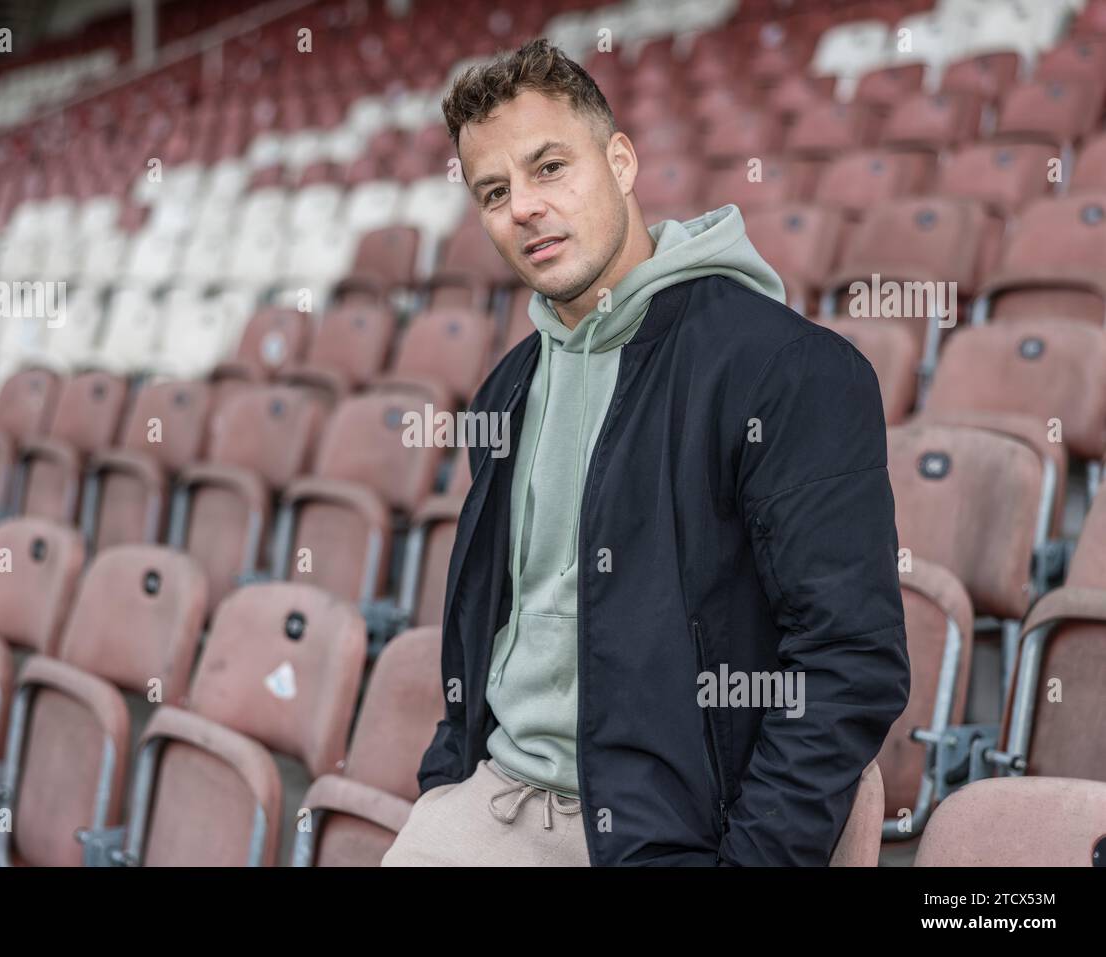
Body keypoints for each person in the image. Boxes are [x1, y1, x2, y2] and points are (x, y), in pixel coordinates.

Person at [381, 37, 910, 867]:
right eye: (493, 190)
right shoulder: (507, 390)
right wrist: (449, 782)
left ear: (620, 160)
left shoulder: (786, 369)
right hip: (490, 803)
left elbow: (849, 660)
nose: (522, 206)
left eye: (549, 166)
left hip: (670, 835)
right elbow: (485, 622)